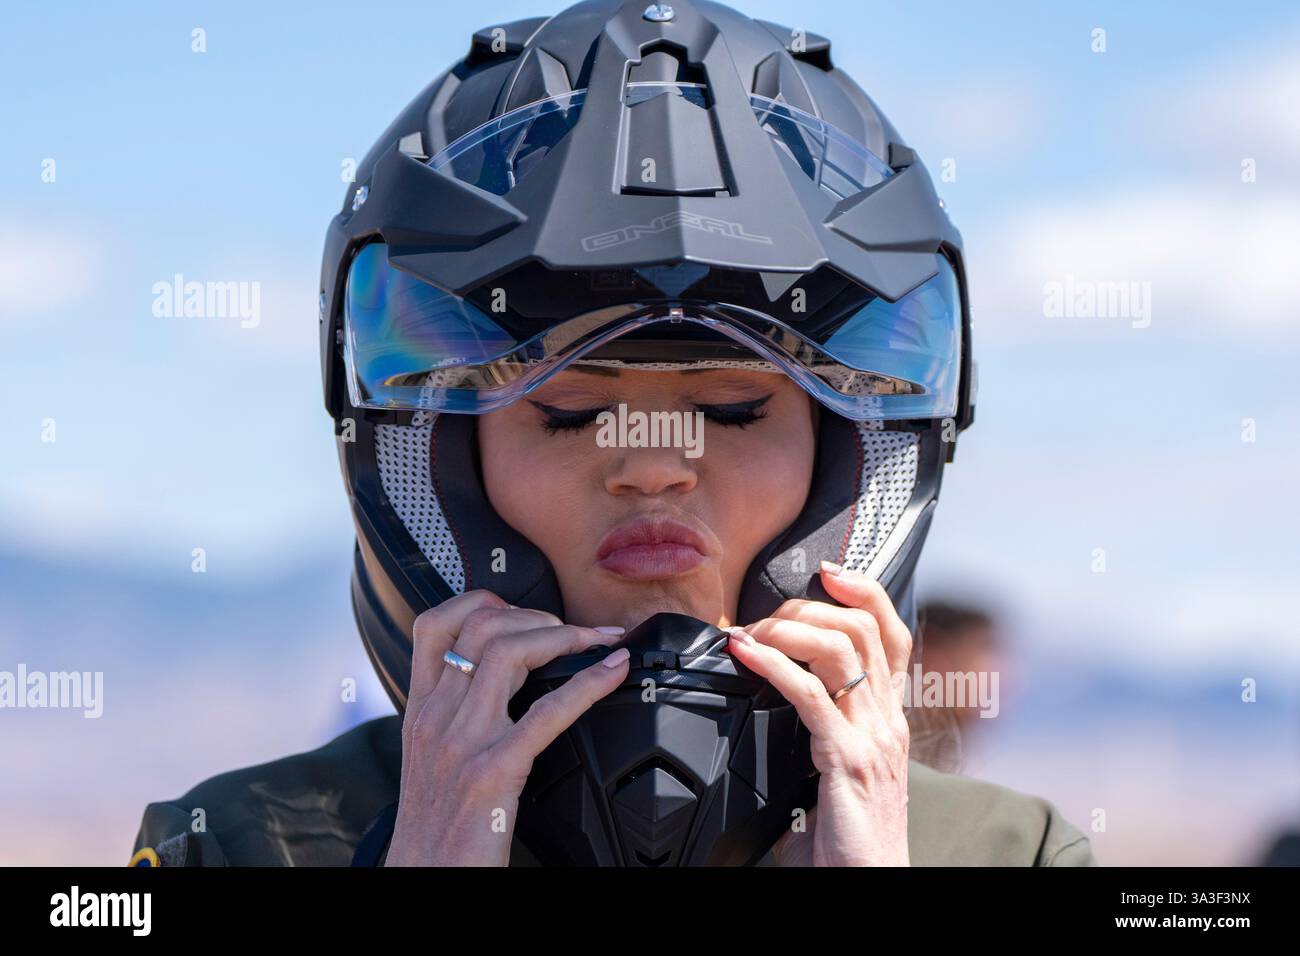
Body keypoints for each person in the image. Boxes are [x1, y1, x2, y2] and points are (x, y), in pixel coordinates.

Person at [130, 0, 1095, 867]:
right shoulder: (242, 843)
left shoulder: (1014, 855)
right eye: (570, 413)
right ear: (437, 464)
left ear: (851, 460)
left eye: (733, 409)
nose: (654, 466)